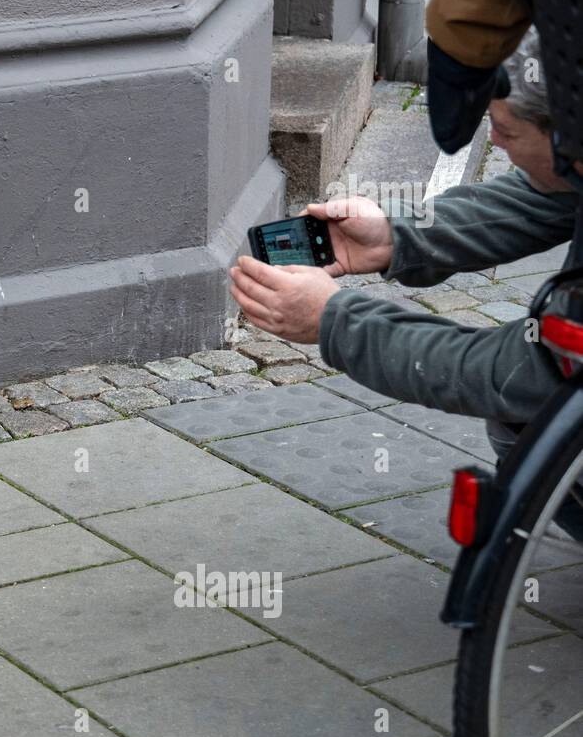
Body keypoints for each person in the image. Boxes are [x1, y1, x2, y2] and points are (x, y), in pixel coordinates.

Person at [228, 27, 579, 455]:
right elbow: (545, 200)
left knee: (534, 426)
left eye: (508, 130)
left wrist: (336, 321)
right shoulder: (569, 167)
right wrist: (395, 237)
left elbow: (523, 374)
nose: (495, 141)